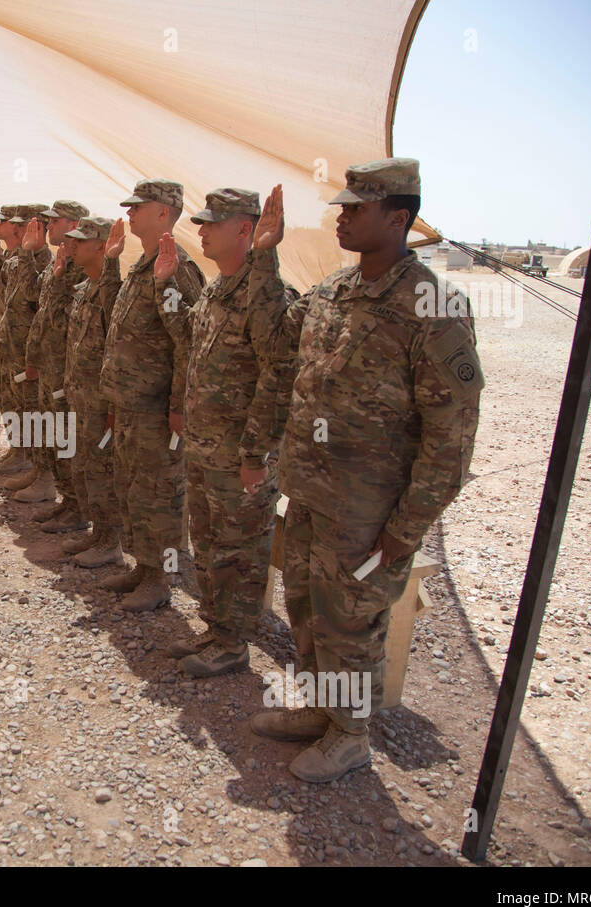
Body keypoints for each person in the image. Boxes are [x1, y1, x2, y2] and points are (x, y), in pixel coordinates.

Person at [249, 160, 483, 783]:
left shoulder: (432, 306)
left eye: (357, 208)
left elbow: (452, 433)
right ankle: (323, 708)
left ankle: (351, 735)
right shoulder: (332, 290)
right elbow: (274, 342)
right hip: (310, 495)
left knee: (351, 624)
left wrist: (407, 526)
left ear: (399, 218)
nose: (342, 217)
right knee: (305, 608)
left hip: (369, 512)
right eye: (342, 207)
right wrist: (263, 258)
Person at [155, 188, 298, 678]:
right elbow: (188, 344)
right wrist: (165, 288)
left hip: (241, 457)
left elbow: (277, 376)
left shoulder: (269, 297)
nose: (201, 231)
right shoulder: (216, 289)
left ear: (245, 229)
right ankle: (217, 629)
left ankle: (234, 642)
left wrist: (256, 453)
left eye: (212, 223)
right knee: (212, 545)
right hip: (206, 450)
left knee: (241, 553)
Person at [98, 179, 203, 612]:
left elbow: (189, 342)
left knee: (159, 494)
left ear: (163, 213)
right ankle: (143, 566)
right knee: (133, 488)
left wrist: (178, 407)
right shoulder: (142, 267)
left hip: (158, 409)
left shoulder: (175, 268)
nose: (129, 213)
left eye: (138, 206)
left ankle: (160, 578)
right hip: (130, 405)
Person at [60, 216, 125, 568]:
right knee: (86, 467)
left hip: (101, 401)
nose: (73, 245)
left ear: (101, 246)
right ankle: (98, 533)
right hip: (81, 397)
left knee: (103, 470)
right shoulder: (84, 289)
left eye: (81, 241)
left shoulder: (113, 290)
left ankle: (111, 541)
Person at [19, 199, 89, 520]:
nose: (48, 226)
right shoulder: (57, 262)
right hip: (50, 365)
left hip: (65, 368)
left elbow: (66, 321)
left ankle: (75, 506)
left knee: (66, 438)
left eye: (55, 221)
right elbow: (33, 296)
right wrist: (31, 254)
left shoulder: (81, 266)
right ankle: (62, 497)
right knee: (51, 431)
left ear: (74, 224)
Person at [0, 203, 54, 496]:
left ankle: (37, 467)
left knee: (33, 411)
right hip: (12, 347)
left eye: (26, 226)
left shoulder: (45, 263)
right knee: (12, 402)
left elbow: (34, 299)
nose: (19, 230)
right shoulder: (19, 259)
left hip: (29, 353)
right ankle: (23, 455)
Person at [0, 205, 28, 474]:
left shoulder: (29, 260)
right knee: (7, 398)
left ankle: (27, 456)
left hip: (20, 347)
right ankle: (17, 449)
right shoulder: (11, 257)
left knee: (23, 402)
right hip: (5, 341)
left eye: (2, 221)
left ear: (16, 227)